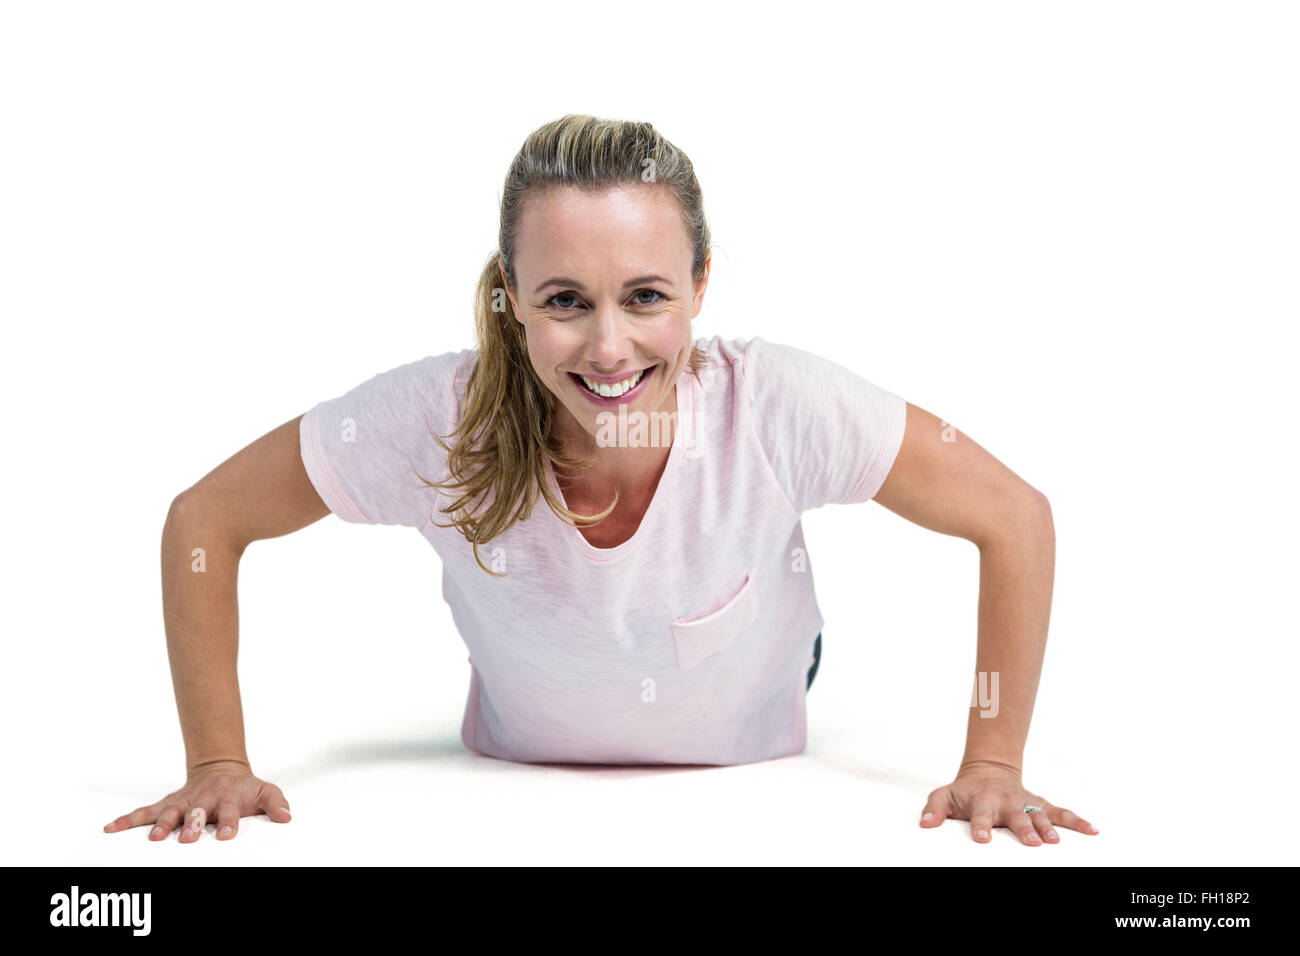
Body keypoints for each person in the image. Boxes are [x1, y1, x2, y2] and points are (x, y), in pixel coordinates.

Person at [103, 114, 1097, 848]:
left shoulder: (780, 402)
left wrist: (993, 762)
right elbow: (205, 520)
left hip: (758, 702)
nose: (610, 346)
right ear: (510, 294)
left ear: (701, 285)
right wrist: (217, 760)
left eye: (648, 296)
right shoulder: (433, 418)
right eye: (566, 301)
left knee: (736, 608)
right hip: (515, 743)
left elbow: (1015, 518)